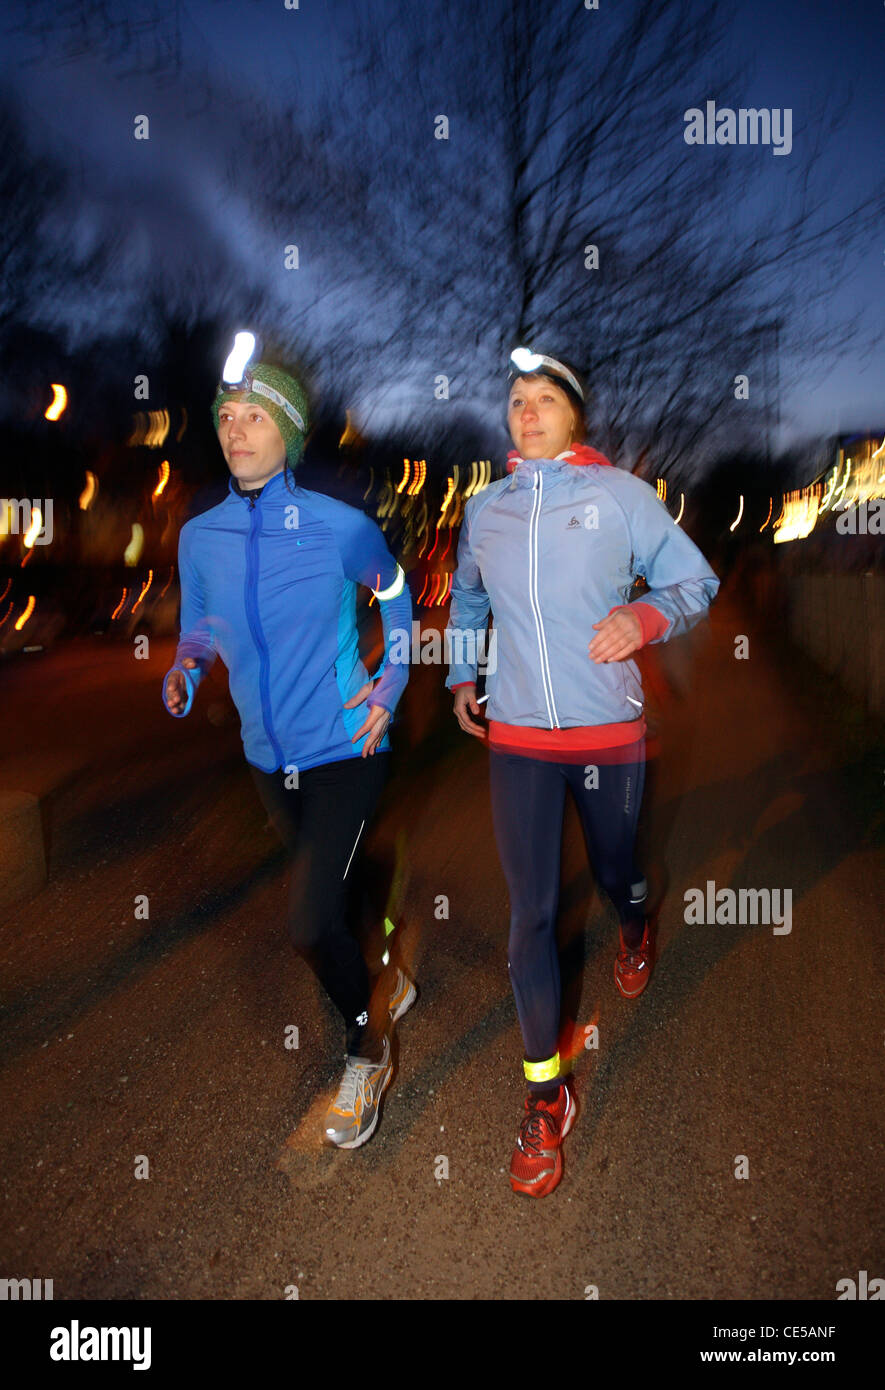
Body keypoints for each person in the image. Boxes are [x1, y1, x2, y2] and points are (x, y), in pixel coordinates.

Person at [446, 348, 720, 1197]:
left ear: (573, 418)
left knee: (615, 876)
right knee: (529, 915)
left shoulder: (620, 498)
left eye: (543, 400)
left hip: (607, 737)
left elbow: (695, 580)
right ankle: (544, 1098)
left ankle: (635, 926)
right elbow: (467, 600)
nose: (525, 412)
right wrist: (461, 673)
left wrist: (643, 618)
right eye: (515, 401)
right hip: (520, 739)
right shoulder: (483, 508)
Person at [163, 348, 415, 1149]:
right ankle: (391, 971)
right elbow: (198, 626)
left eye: (256, 417)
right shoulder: (199, 537)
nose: (236, 432)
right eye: (226, 418)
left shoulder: (340, 528)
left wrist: (389, 688)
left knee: (309, 922)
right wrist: (185, 668)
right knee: (338, 883)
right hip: (267, 759)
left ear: (290, 433)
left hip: (347, 744)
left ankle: (367, 1047)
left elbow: (399, 599)